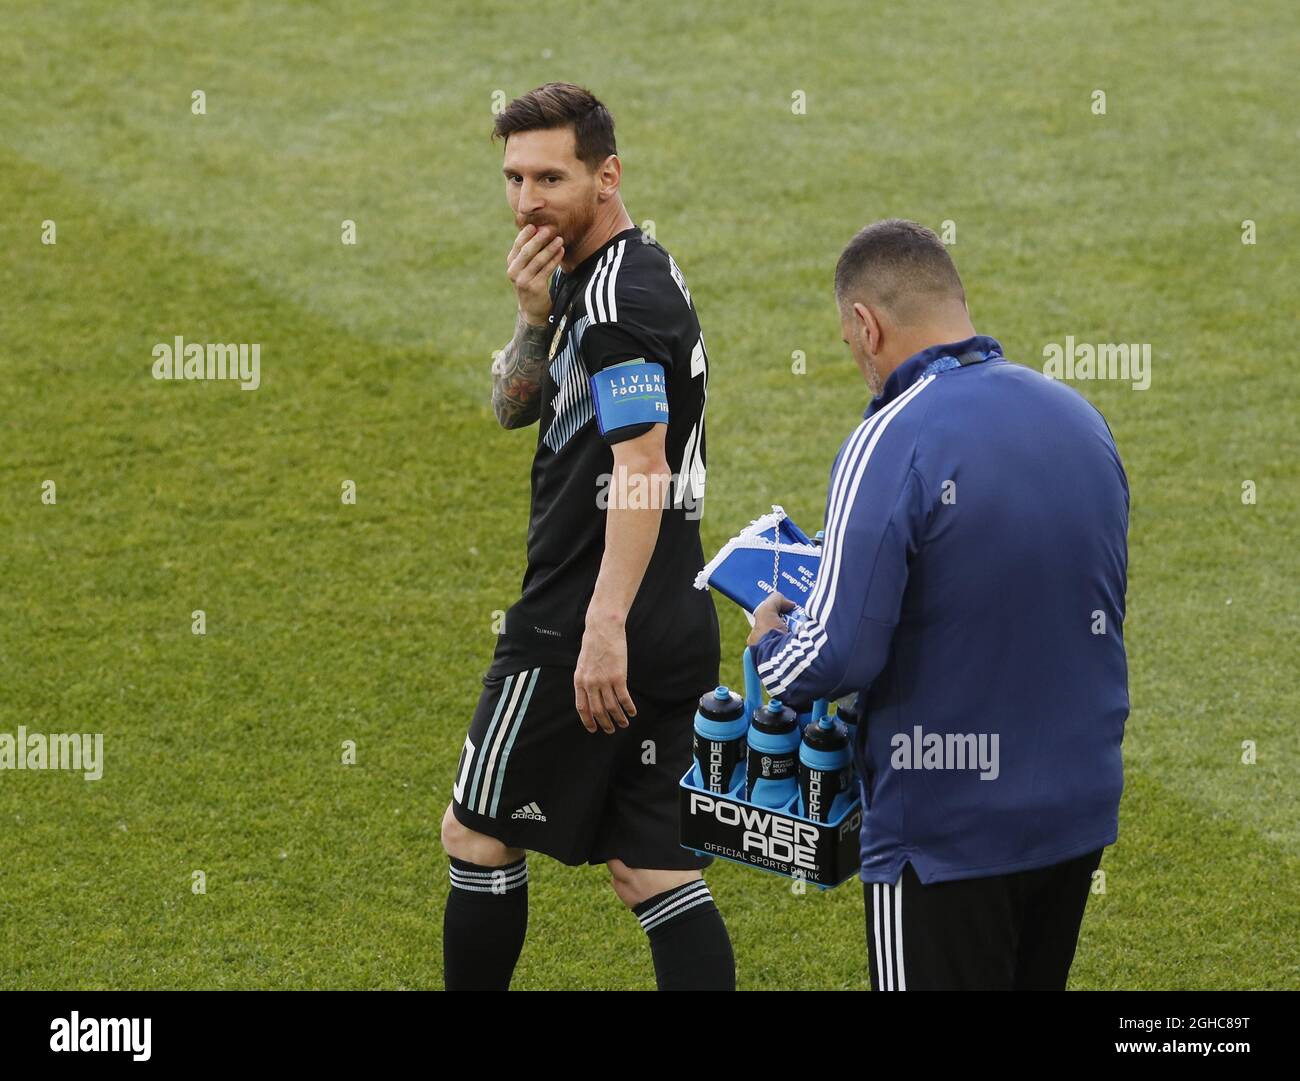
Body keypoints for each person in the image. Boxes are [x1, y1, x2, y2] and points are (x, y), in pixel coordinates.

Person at [748, 219, 1130, 991]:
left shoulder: (890, 435)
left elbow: (840, 652)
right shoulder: (1081, 418)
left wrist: (770, 646)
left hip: (944, 833)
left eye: (848, 341)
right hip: (1074, 813)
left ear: (866, 324)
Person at [440, 83, 733, 991]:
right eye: (513, 177)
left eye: (550, 178)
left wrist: (602, 628)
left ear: (607, 176)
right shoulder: (618, 268)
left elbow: (642, 467)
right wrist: (532, 320)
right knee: (653, 869)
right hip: (674, 616)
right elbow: (510, 409)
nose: (527, 201)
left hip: (582, 621)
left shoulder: (615, 307)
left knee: (477, 832)